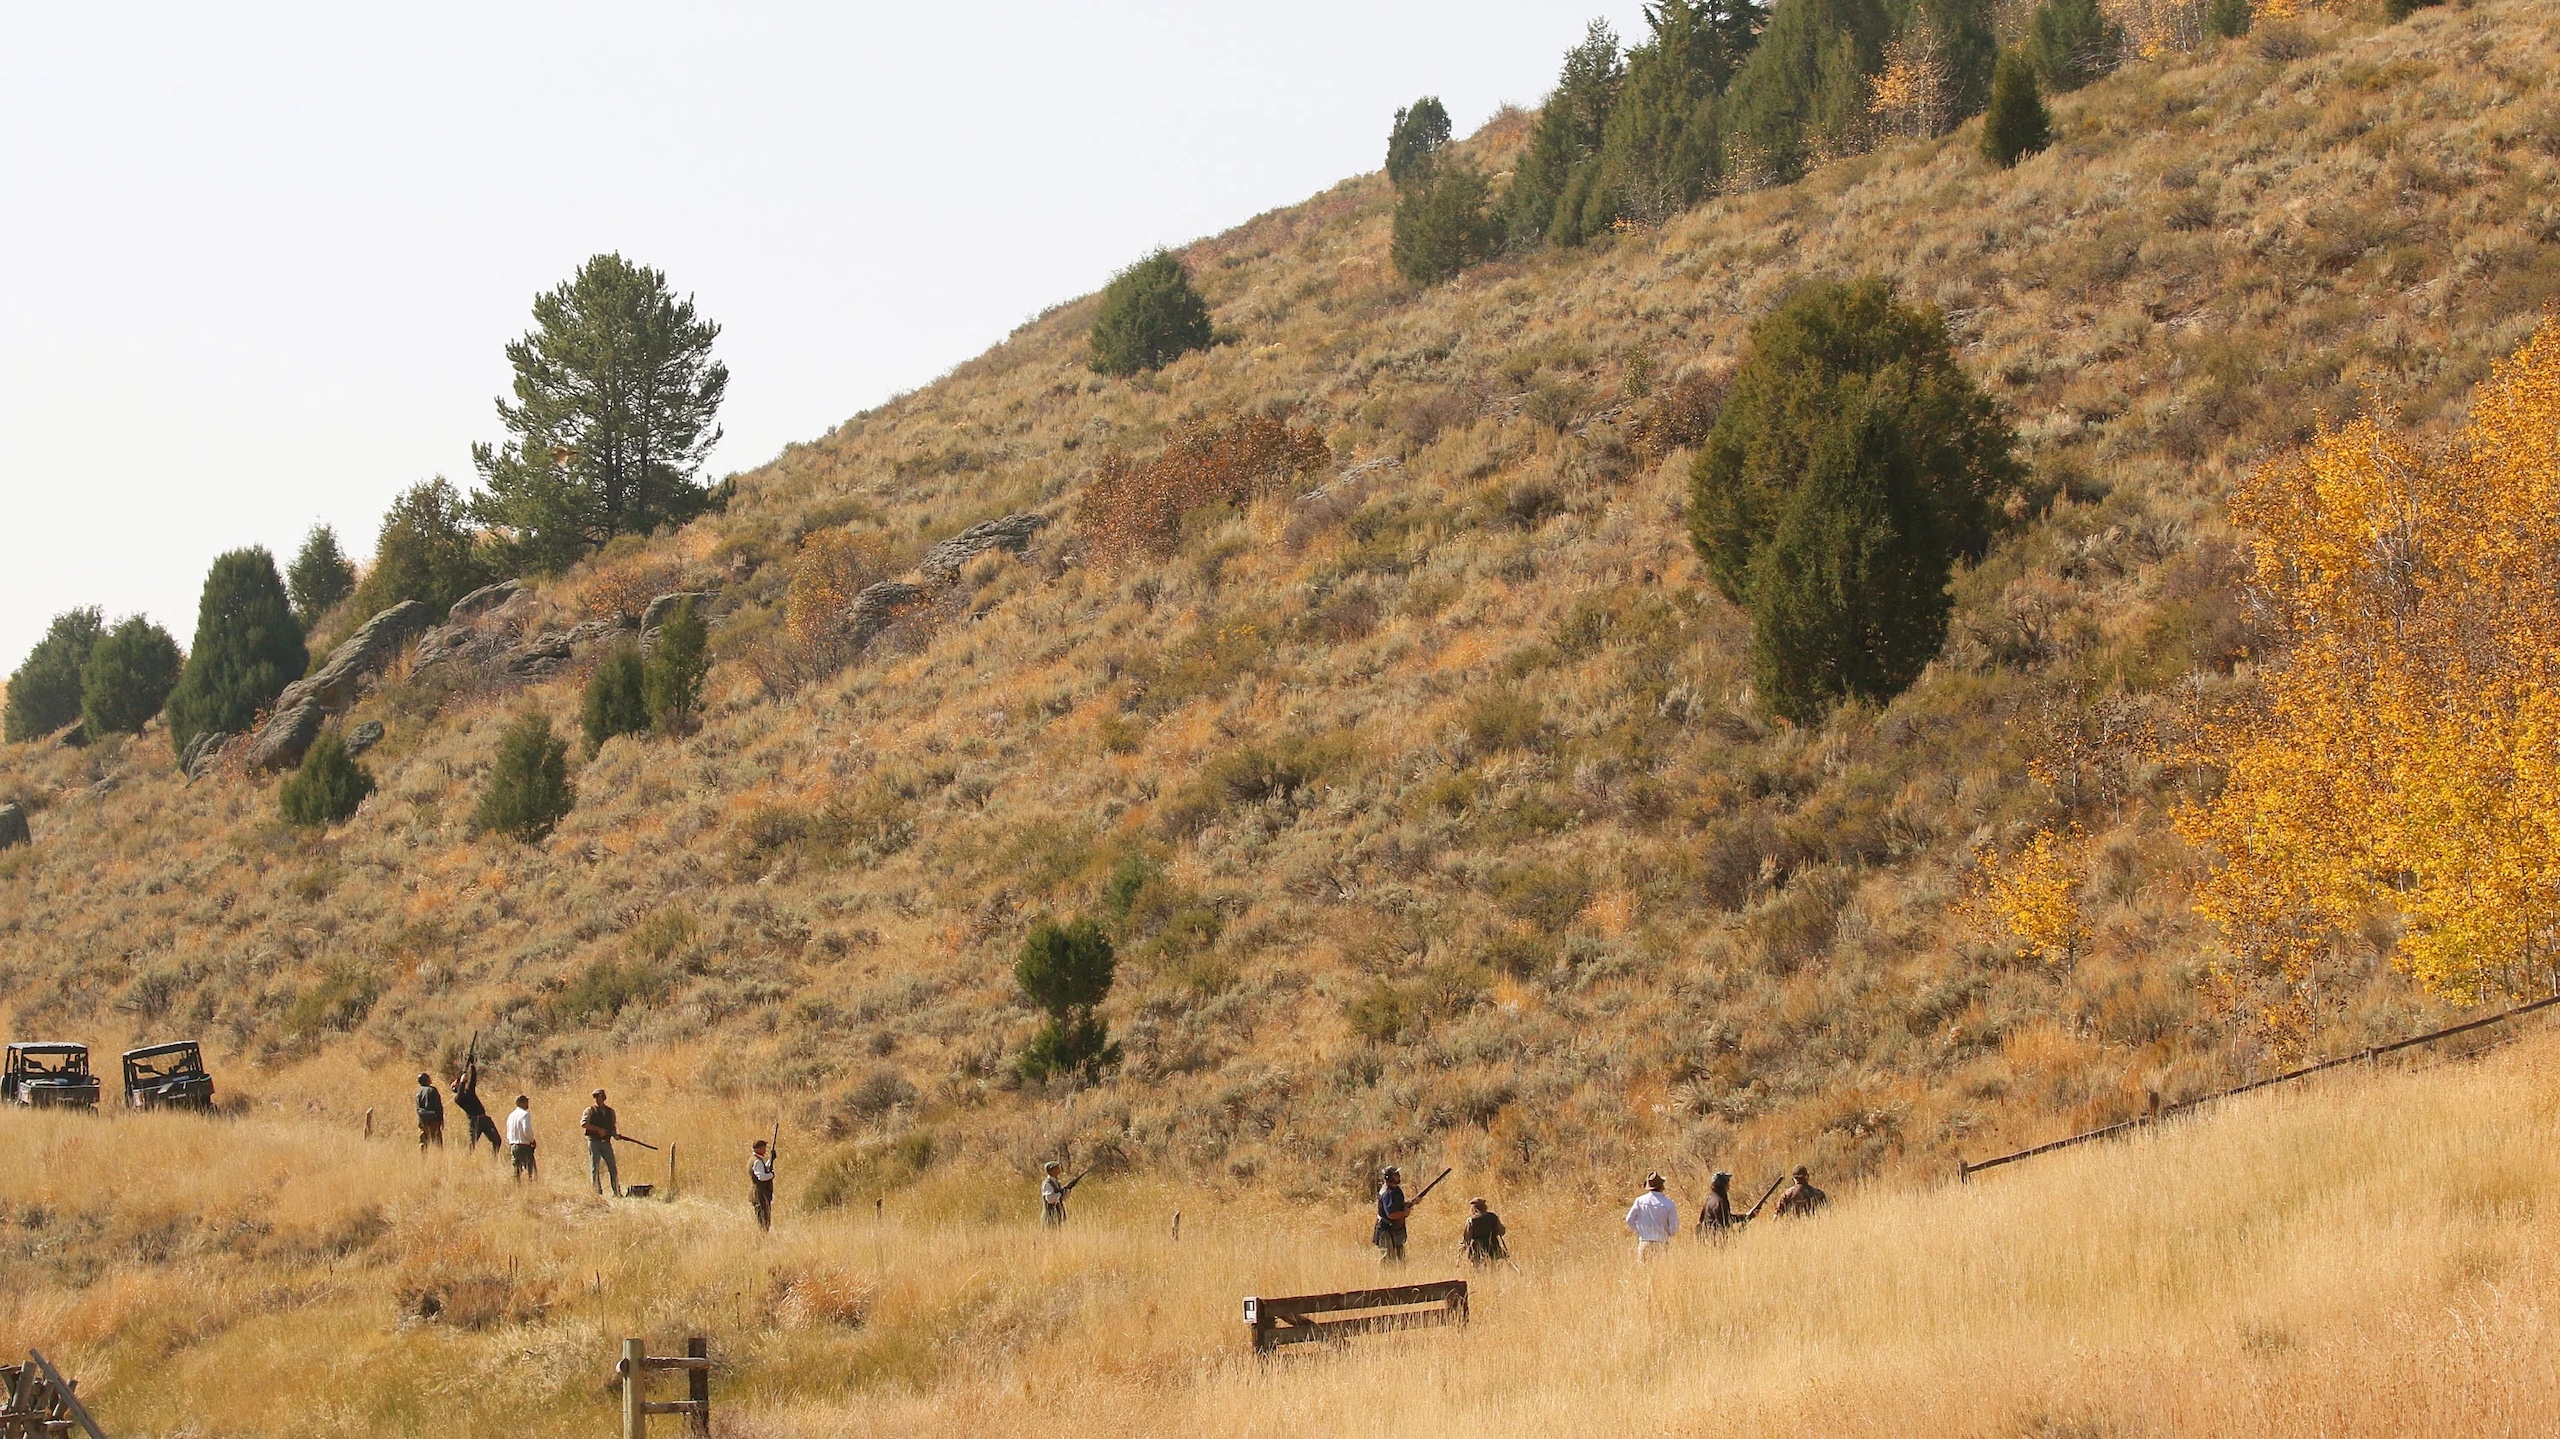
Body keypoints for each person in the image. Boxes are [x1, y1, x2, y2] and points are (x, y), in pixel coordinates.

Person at [452, 1058, 501, 1155]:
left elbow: (473, 1080)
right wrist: (462, 1082)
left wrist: (472, 1066)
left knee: (497, 1141)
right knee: (471, 1145)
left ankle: (493, 1160)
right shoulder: (458, 1099)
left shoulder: (469, 1091)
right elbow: (460, 1093)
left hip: (484, 1119)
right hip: (475, 1122)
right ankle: (466, 1161)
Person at [1625, 1172, 1679, 1259]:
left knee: (1643, 1271)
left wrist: (1640, 1232)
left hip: (1644, 1242)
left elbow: (1629, 1219)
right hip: (1662, 1244)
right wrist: (1666, 1234)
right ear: (1662, 1186)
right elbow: (1673, 1229)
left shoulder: (1639, 1201)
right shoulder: (1669, 1204)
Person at [581, 1088, 622, 1197]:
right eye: (595, 1097)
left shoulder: (610, 1112)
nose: (597, 1099)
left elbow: (612, 1126)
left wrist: (615, 1134)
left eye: (599, 1097)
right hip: (594, 1142)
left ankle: (617, 1192)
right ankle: (597, 1193)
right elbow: (584, 1124)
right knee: (595, 1167)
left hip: (606, 1143)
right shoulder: (590, 1110)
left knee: (612, 1167)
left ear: (604, 1098)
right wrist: (598, 1130)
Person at [1374, 1166, 1411, 1264]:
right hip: (1386, 1229)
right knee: (1387, 1258)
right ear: (1389, 1178)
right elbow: (1391, 1214)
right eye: (1395, 1175)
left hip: (1396, 1228)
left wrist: (1411, 1203)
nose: (1399, 1176)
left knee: (1400, 1257)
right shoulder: (1387, 1193)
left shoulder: (1396, 1190)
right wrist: (1405, 1213)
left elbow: (1399, 1206)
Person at [1461, 1197, 1508, 1265]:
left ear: (1474, 1208)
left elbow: (1466, 1240)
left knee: (1479, 1272)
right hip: (1493, 1247)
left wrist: (1460, 1254)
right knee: (1493, 1269)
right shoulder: (1493, 1217)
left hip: (1477, 1250)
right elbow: (1502, 1231)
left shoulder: (1471, 1220)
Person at [505, 1095, 537, 1181]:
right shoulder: (525, 1114)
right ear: (521, 1103)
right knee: (532, 1172)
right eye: (526, 1101)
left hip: (513, 1146)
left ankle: (517, 1189)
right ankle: (532, 1188)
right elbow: (526, 1129)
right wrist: (532, 1140)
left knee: (516, 1172)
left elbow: (508, 1132)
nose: (528, 1103)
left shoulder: (511, 1115)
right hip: (524, 1146)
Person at [1697, 1171, 1736, 1239]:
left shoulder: (1711, 1198)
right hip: (1716, 1241)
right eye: (1727, 1182)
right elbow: (1725, 1223)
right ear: (1723, 1185)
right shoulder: (1719, 1202)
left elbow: (1701, 1219)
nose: (1729, 1184)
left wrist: (1744, 1217)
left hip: (1707, 1238)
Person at [748, 1140, 775, 1231]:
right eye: (764, 1147)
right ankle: (763, 1237)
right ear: (759, 1148)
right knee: (764, 1219)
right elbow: (761, 1176)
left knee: (762, 1217)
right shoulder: (757, 1161)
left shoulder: (755, 1159)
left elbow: (763, 1169)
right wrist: (772, 1175)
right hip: (760, 1194)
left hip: (758, 1193)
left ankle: (763, 1235)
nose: (765, 1149)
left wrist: (771, 1160)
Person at [414, 1072, 444, 1150]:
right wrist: (441, 1119)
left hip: (422, 1120)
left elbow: (418, 1107)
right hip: (433, 1119)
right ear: (427, 1080)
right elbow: (438, 1106)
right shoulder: (432, 1090)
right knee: (437, 1141)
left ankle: (423, 1158)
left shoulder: (418, 1092)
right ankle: (439, 1157)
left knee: (423, 1141)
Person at [1041, 1161, 1070, 1226]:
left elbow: (1062, 1199)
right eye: (1056, 1168)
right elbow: (1050, 1199)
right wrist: (1060, 1194)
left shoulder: (1056, 1182)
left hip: (1057, 1216)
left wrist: (1067, 1191)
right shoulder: (1047, 1183)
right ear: (1051, 1171)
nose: (1059, 1169)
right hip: (1050, 1216)